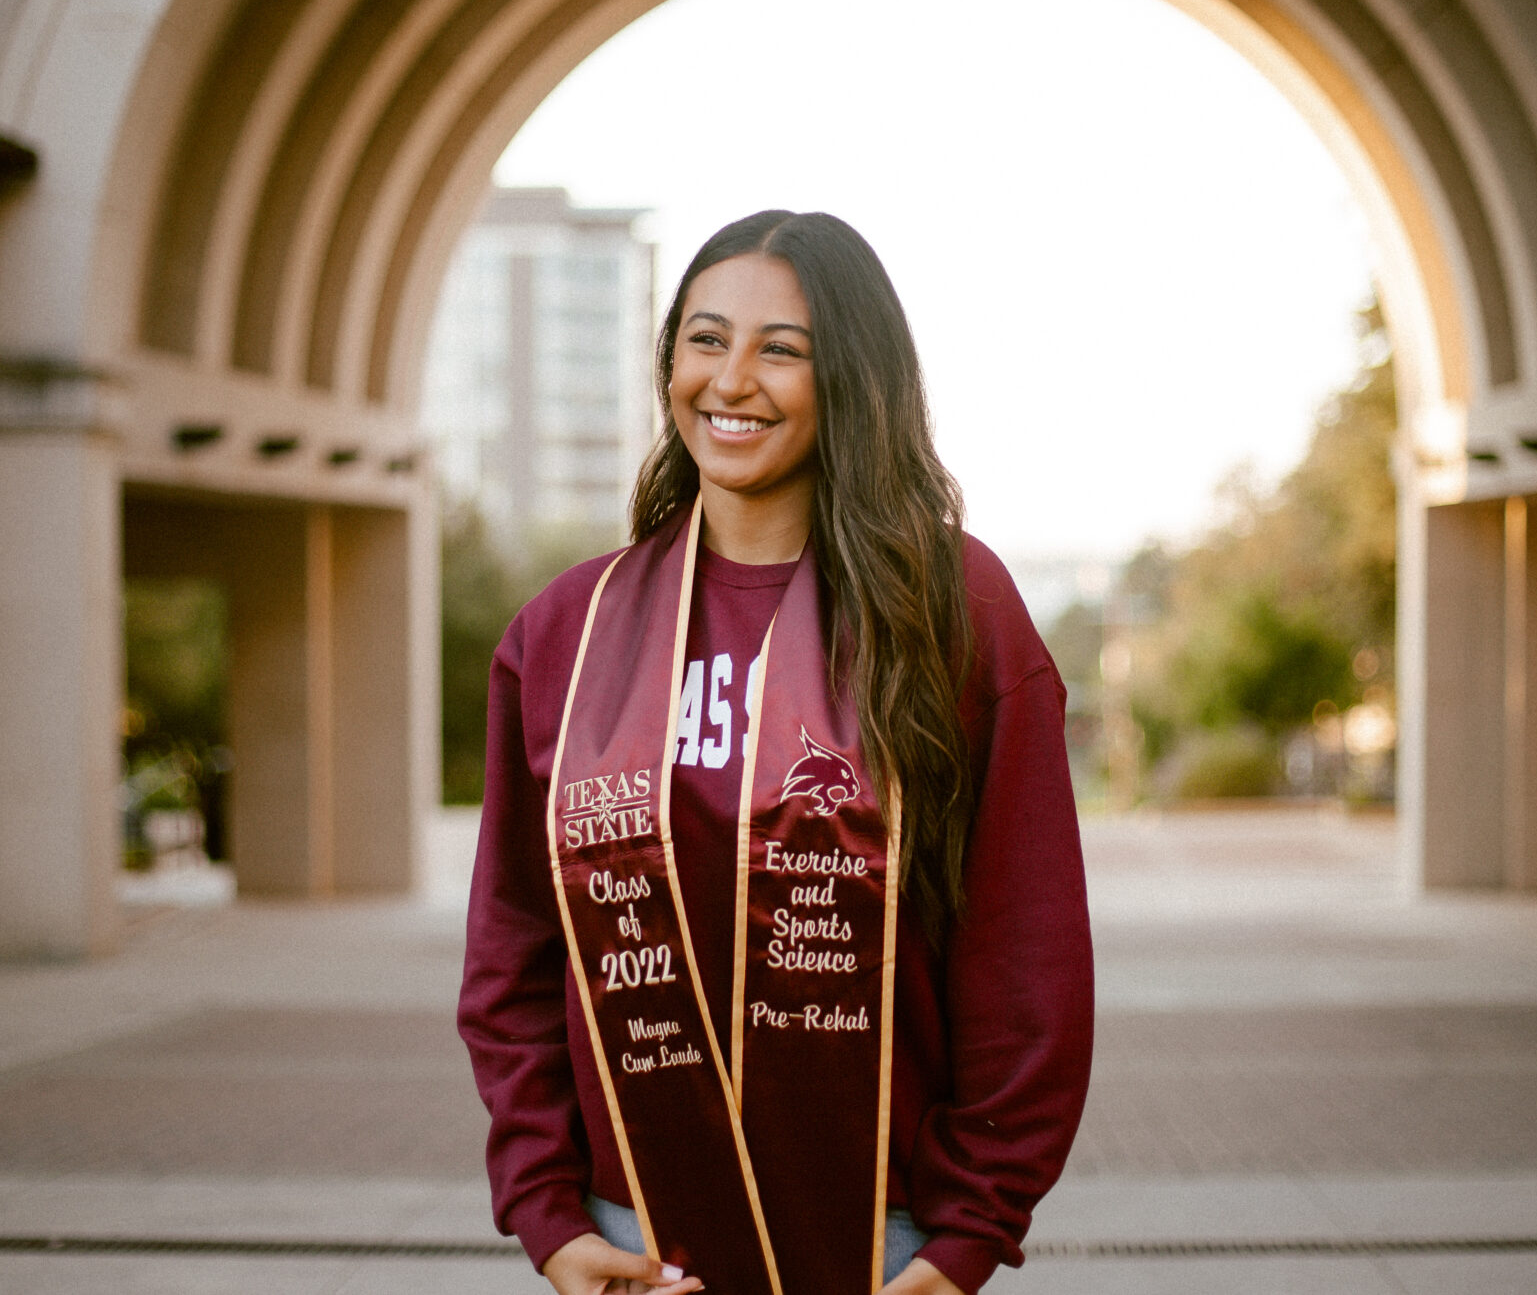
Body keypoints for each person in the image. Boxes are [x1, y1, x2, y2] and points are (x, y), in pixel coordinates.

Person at [458, 210, 1093, 1295]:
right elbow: (513, 950)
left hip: (886, 1243)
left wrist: (966, 1234)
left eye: (779, 350)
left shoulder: (949, 610)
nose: (731, 379)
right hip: (635, 1239)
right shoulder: (566, 635)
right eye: (704, 340)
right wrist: (548, 1216)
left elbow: (1023, 948)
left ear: (848, 375)